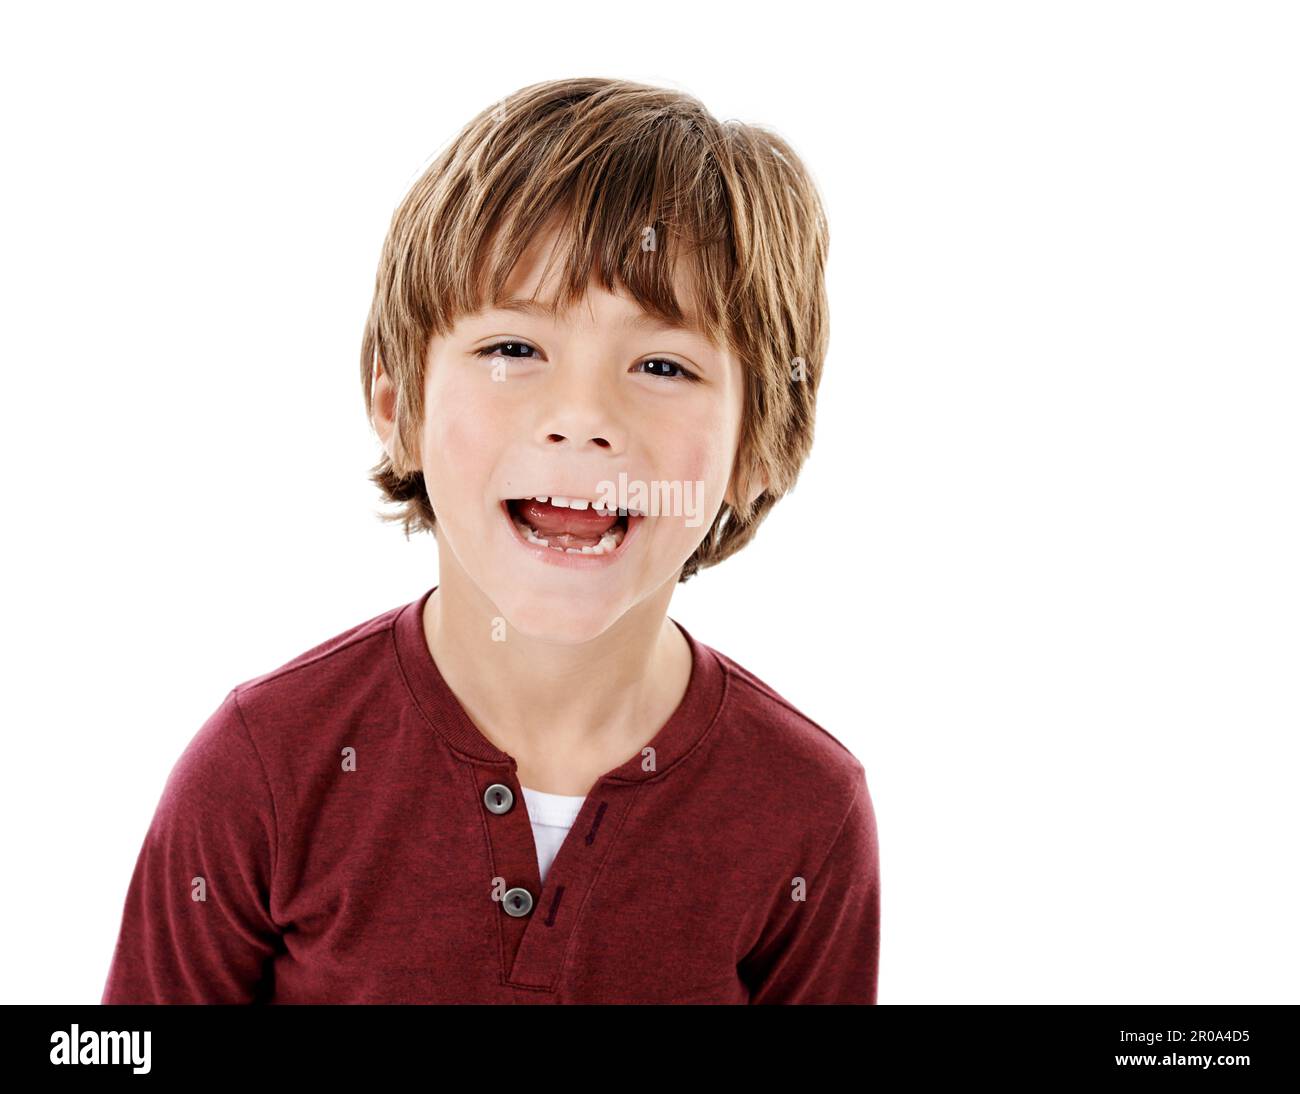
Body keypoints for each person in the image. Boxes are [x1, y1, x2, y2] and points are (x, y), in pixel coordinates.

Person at [101, 76, 880, 1004]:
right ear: (400, 407)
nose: (582, 418)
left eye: (663, 364)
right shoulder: (262, 769)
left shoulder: (807, 809)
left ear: (759, 445)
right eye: (514, 349)